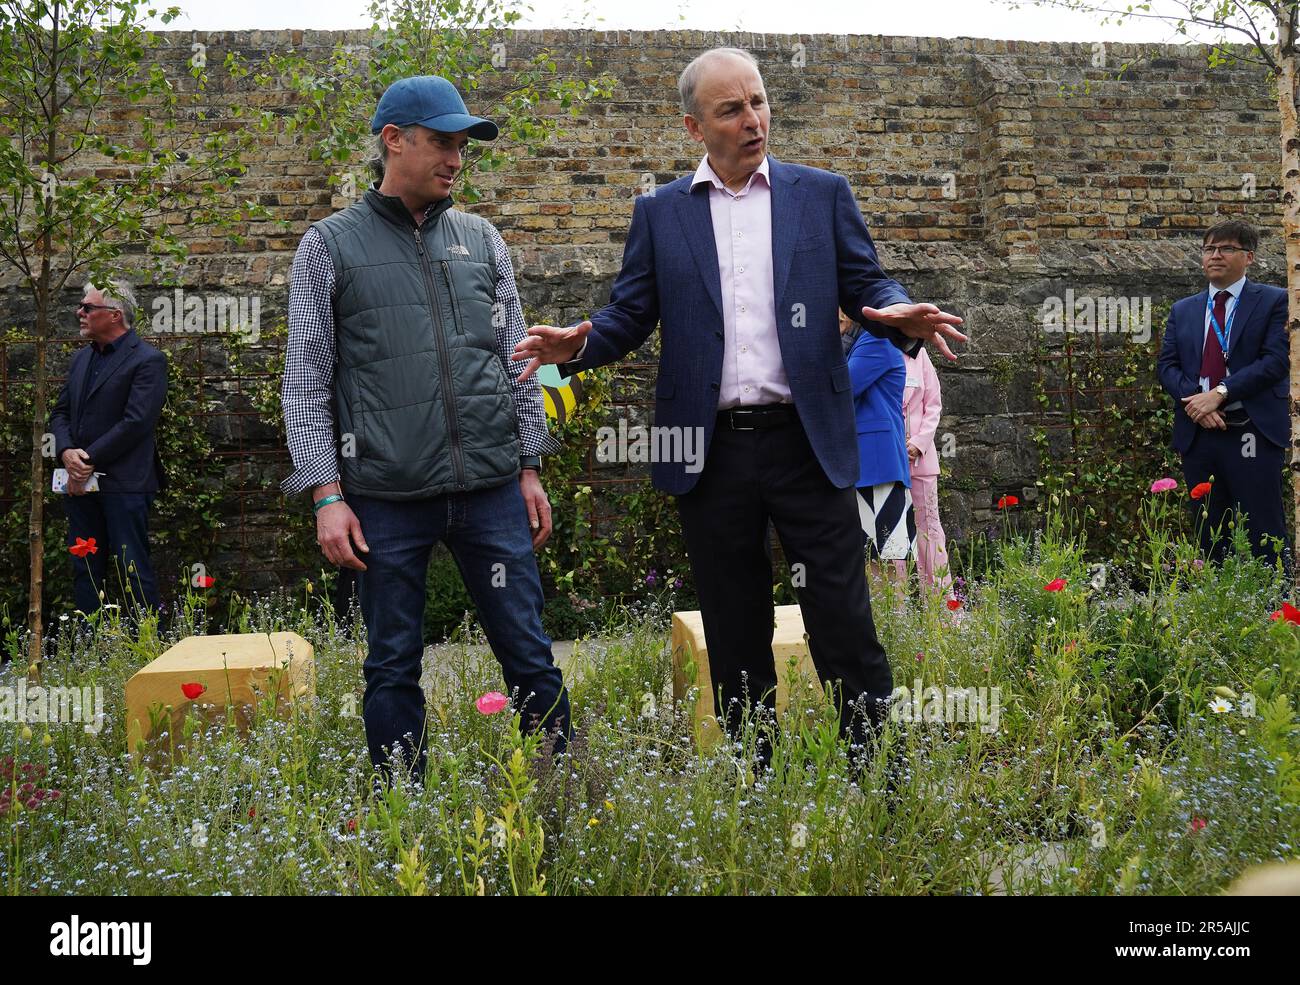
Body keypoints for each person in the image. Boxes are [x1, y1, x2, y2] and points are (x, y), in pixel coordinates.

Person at [513, 48, 965, 763]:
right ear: (694, 126)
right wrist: (578, 346)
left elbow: (867, 284)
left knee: (843, 616)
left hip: (808, 441)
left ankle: (879, 776)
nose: (753, 119)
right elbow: (630, 314)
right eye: (732, 109)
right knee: (733, 622)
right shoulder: (661, 213)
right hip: (710, 451)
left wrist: (895, 311)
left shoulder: (819, 194)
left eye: (758, 101)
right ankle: (757, 776)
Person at [281, 75, 570, 782]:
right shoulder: (328, 248)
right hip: (384, 497)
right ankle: (401, 811)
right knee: (390, 665)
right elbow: (305, 379)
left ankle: (563, 799)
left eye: (463, 146)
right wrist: (326, 492)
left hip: (492, 490)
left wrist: (530, 466)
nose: (456, 159)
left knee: (529, 651)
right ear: (394, 141)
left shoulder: (481, 238)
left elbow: (522, 363)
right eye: (442, 142)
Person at [1156, 220, 1289, 568]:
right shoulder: (1183, 309)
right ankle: (1219, 609)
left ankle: (1277, 609)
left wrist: (1220, 393)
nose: (1215, 256)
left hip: (1251, 430)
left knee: (1264, 530)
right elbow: (1167, 366)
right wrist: (1197, 404)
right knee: (1209, 532)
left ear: (1249, 257)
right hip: (1199, 433)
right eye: (1209, 249)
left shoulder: (1274, 301)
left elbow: (1275, 362)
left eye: (1226, 248)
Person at [48, 279, 167, 617]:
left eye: (87, 307)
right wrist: (66, 451)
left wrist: (86, 458)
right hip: (79, 484)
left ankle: (147, 647)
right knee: (84, 570)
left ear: (114, 315)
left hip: (125, 485)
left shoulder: (148, 360)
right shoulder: (81, 359)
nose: (79, 312)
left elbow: (137, 422)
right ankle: (93, 648)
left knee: (133, 569)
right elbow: (60, 413)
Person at [841, 311, 915, 577]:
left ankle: (894, 618)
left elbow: (843, 387)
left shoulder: (876, 340)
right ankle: (881, 618)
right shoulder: (854, 342)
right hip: (863, 465)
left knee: (889, 555)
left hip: (878, 463)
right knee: (867, 556)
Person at [895, 342, 952, 595]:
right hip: (889, 460)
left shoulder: (920, 355)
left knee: (929, 529)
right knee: (891, 535)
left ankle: (941, 606)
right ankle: (895, 609)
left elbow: (934, 404)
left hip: (922, 461)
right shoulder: (876, 349)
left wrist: (919, 443)